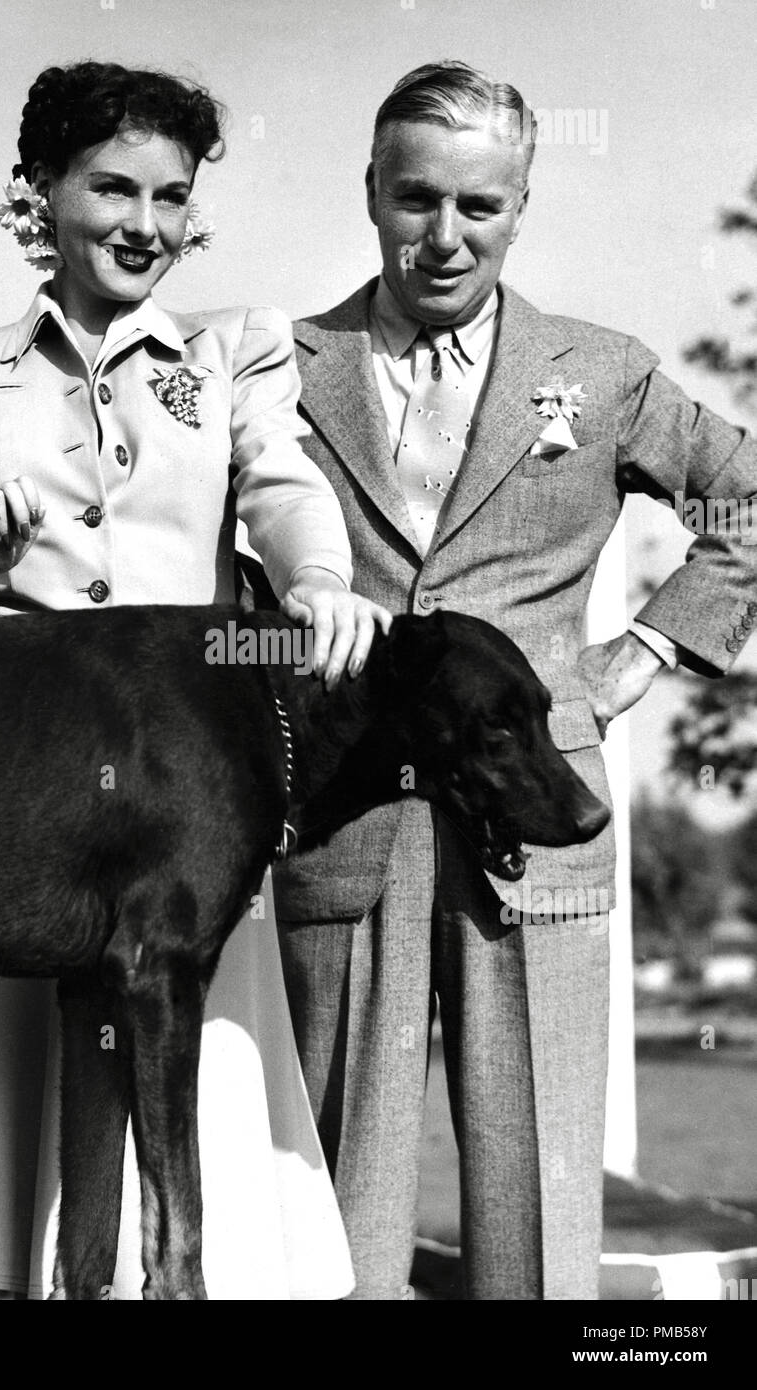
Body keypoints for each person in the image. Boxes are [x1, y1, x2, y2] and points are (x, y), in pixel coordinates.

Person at [0, 59, 389, 1300]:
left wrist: (319, 579)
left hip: (183, 808)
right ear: (37, 193)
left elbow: (278, 484)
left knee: (195, 1075)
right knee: (6, 1118)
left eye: (170, 198)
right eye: (111, 187)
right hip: (15, 810)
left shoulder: (232, 351)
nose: (145, 225)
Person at [273, 59, 757, 1301]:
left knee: (537, 1218)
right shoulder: (279, 369)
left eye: (478, 208)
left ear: (521, 204)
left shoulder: (599, 374)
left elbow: (742, 500)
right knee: (332, 1214)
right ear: (370, 192)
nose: (443, 238)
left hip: (539, 827)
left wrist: (644, 653)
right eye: (414, 198)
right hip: (343, 826)